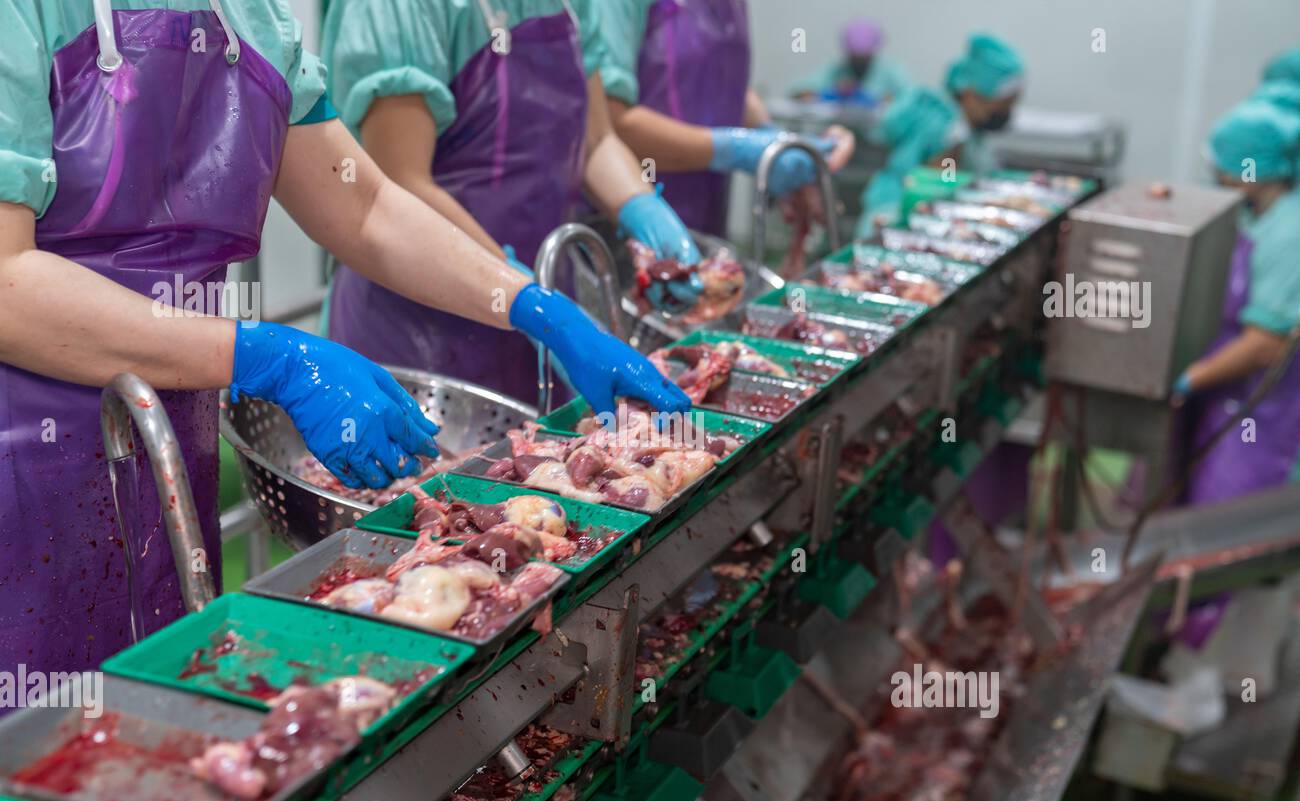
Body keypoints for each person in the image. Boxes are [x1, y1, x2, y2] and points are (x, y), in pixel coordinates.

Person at [0, 0, 687, 674]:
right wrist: (265, 355)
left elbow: (365, 206)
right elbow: (8, 282)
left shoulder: (246, 17)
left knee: (142, 719)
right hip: (24, 465)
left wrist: (537, 308)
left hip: (166, 448)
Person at [322, 0, 703, 404]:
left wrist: (642, 208)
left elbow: (595, 140)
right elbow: (401, 183)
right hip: (422, 333)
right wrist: (529, 300)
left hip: (542, 311)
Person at [1168, 92, 1300, 647]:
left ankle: (1200, 666)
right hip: (1230, 397)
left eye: (1224, 166)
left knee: (1227, 529)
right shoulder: (1255, 214)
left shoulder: (1290, 233)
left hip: (1261, 410)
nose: (1217, 174)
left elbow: (1265, 344)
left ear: (1255, 169)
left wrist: (1189, 379)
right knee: (1198, 514)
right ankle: (1180, 641)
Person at [598, 0, 843, 237]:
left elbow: (725, 85)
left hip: (709, 211)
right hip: (622, 215)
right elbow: (607, 124)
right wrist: (736, 149)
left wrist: (774, 141)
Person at [857, 33, 1024, 233]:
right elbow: (942, 182)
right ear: (971, 95)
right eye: (1002, 105)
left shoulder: (966, 129)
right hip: (894, 220)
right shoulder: (949, 132)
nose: (1006, 113)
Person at [789, 17, 910, 109]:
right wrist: (832, 92)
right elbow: (798, 90)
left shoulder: (891, 71)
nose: (859, 62)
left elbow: (910, 99)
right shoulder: (837, 70)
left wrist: (883, 101)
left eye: (863, 58)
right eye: (854, 58)